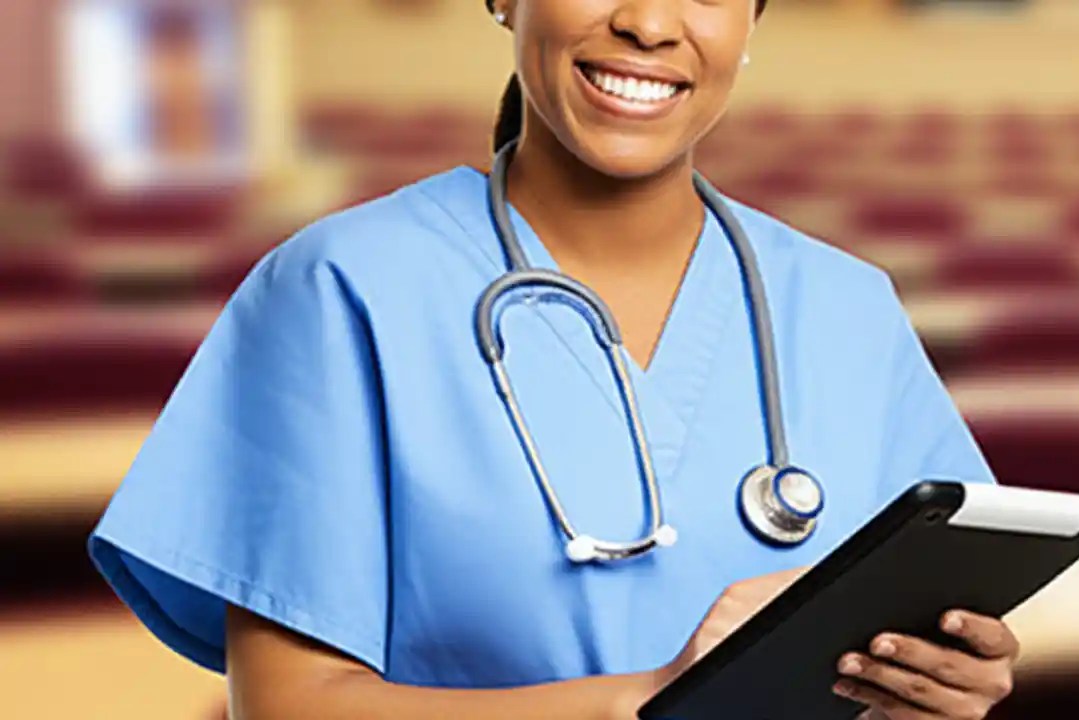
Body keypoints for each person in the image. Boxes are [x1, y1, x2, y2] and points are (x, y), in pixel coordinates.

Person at [88, 1, 1020, 718]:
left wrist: (942, 684)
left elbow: (909, 636)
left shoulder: (848, 307)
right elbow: (288, 706)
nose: (648, 23)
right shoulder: (339, 289)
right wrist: (643, 700)